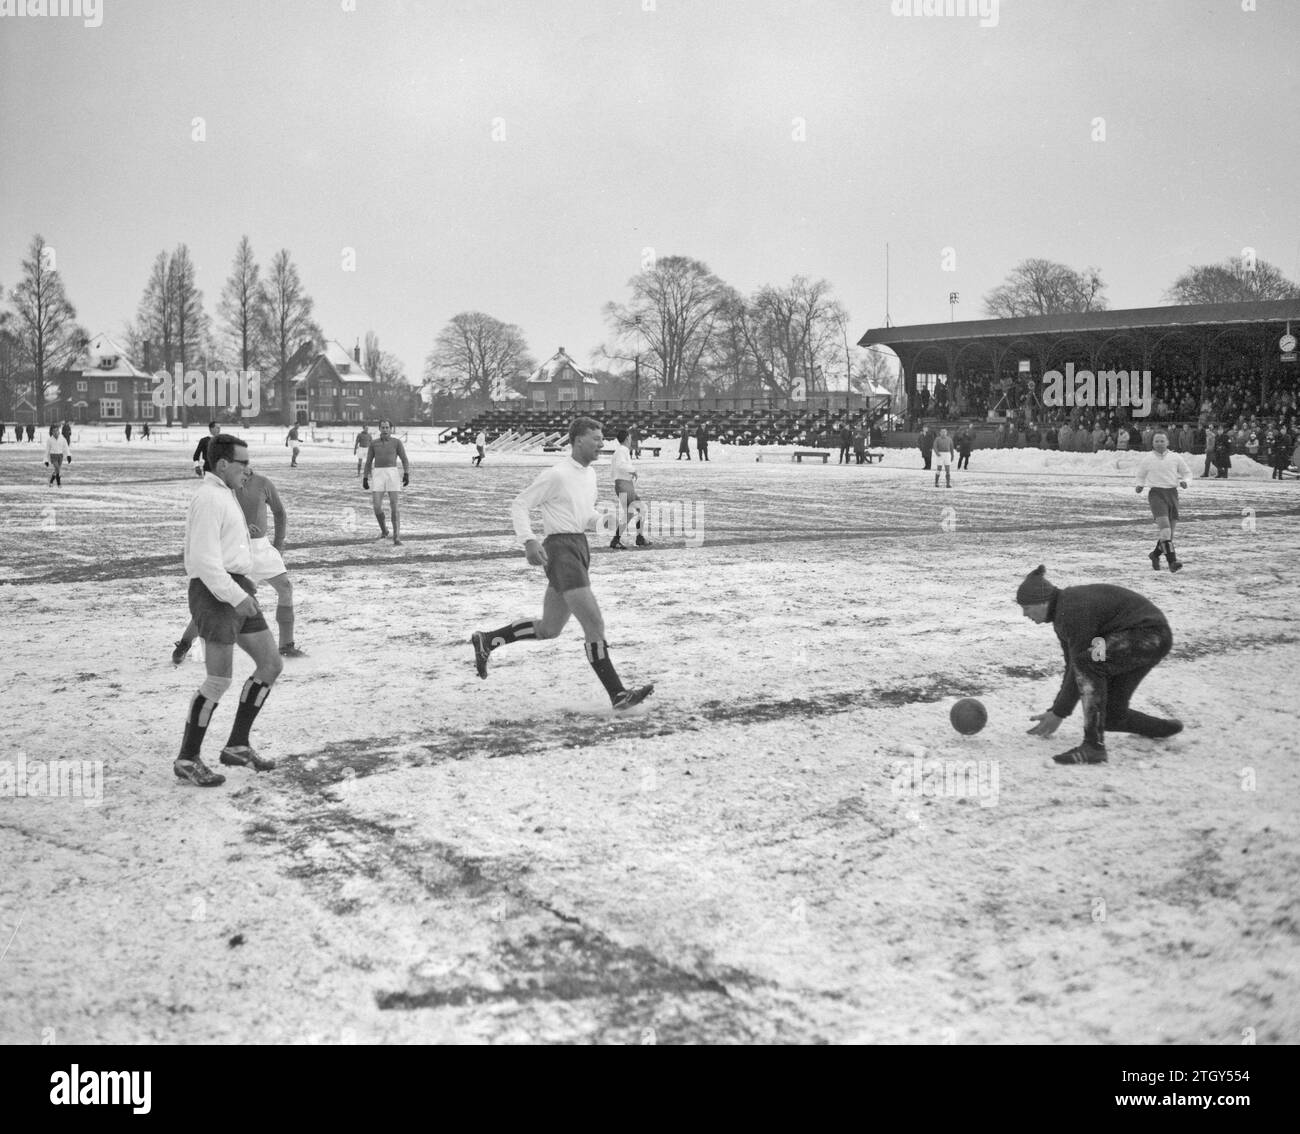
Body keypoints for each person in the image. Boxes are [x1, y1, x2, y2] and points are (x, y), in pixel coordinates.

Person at [469, 417, 653, 711]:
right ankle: (618, 693)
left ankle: (487, 640)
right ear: (579, 440)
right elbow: (520, 503)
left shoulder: (589, 475)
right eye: (596, 438)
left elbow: (585, 515)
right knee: (594, 623)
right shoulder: (557, 474)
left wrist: (607, 521)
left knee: (549, 629)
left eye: (602, 438)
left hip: (578, 546)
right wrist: (528, 540)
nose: (601, 444)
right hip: (560, 550)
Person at [172, 434, 283, 786]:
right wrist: (235, 596)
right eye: (243, 463)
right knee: (218, 680)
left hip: (237, 588)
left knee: (270, 664)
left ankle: (237, 745)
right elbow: (205, 563)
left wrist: (244, 586)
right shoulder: (208, 498)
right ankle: (188, 759)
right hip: (215, 594)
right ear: (222, 464)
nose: (248, 470)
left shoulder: (224, 493)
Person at [1017, 565, 1182, 766]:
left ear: (1042, 602)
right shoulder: (1062, 615)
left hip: (1148, 634)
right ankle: (1163, 729)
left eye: (1026, 608)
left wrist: (1059, 712)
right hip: (1145, 638)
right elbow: (1072, 668)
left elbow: (1081, 666)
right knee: (1112, 716)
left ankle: (1093, 747)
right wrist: (1056, 710)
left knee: (1089, 663)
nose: (1025, 615)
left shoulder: (1071, 609)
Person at [173, 466, 305, 664]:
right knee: (220, 602)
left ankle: (286, 645)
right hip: (237, 549)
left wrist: (278, 545)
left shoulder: (263, 483)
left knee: (285, 588)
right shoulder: (224, 488)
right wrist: (241, 529)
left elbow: (280, 512)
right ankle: (185, 642)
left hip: (262, 549)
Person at [1133, 431, 1192, 572]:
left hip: (1172, 494)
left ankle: (1154, 555)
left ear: (1167, 442)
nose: (1159, 443)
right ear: (1152, 443)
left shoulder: (1175, 457)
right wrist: (1139, 485)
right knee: (1165, 531)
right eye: (1156, 441)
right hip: (1156, 495)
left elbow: (1187, 473)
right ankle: (1172, 562)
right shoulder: (1148, 459)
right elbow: (1140, 475)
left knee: (1168, 536)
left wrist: (1185, 481)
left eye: (1162, 441)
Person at [362, 419, 410, 545]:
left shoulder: (397, 442)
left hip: (392, 474)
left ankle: (397, 536)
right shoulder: (374, 443)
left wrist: (406, 473)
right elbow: (368, 462)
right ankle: (384, 530)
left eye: (387, 427)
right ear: (379, 429)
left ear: (390, 429)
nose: (384, 430)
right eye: (382, 427)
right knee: (376, 506)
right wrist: (365, 477)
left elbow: (404, 459)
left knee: (394, 506)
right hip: (378, 474)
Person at [608, 426, 651, 550]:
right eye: (630, 437)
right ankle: (618, 540)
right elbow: (621, 465)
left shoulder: (620, 450)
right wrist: (633, 470)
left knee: (640, 509)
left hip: (624, 484)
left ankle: (639, 538)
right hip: (623, 485)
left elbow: (617, 468)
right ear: (627, 438)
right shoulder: (622, 450)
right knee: (632, 512)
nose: (631, 439)